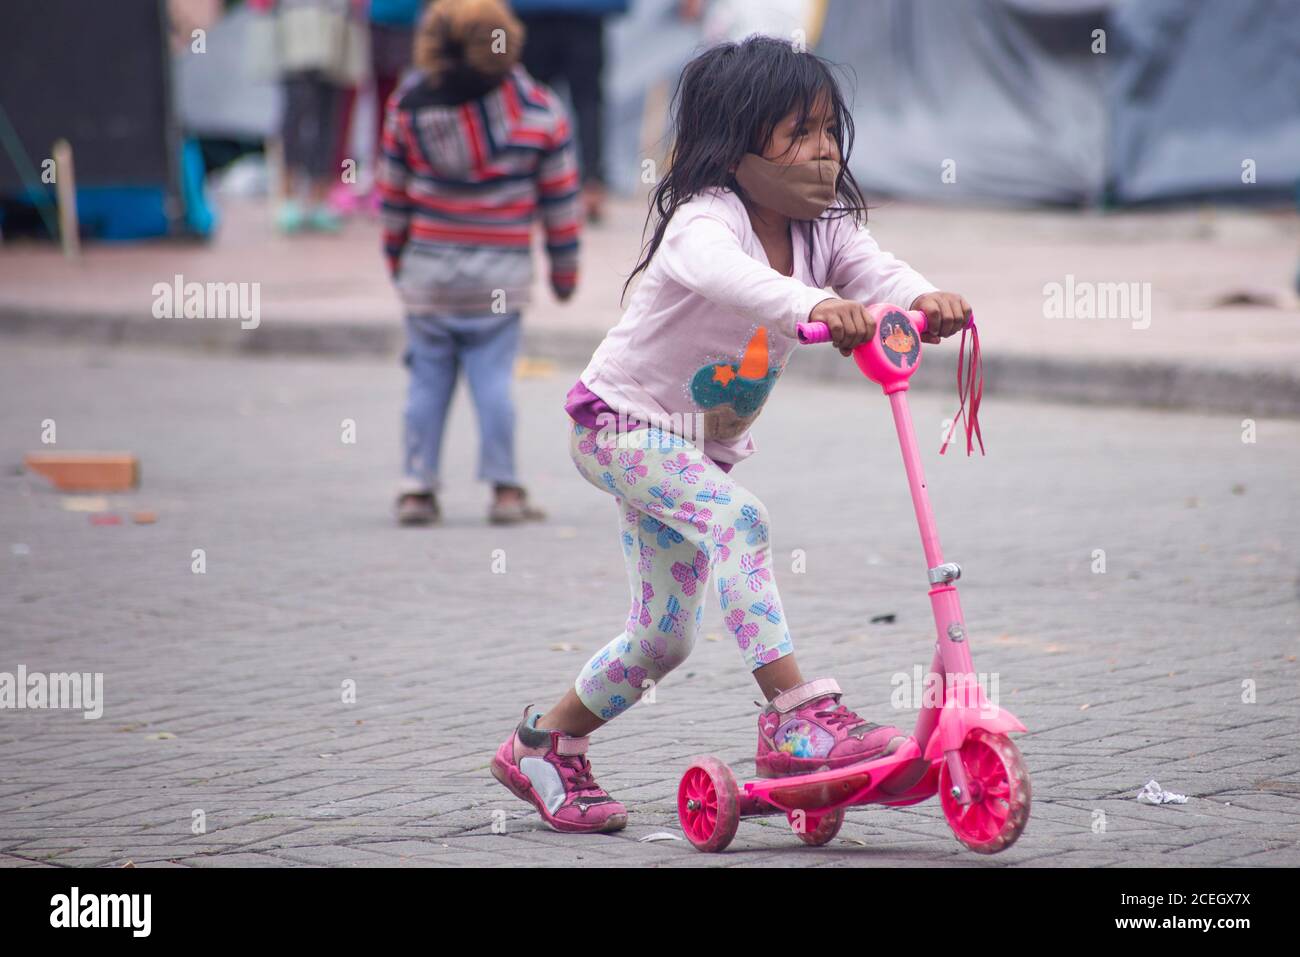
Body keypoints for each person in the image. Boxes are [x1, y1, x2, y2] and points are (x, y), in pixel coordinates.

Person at [490, 34, 974, 832]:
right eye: (799, 133)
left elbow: (878, 271)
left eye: (829, 132)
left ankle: (544, 745)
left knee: (661, 640)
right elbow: (729, 275)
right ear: (738, 140)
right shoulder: (703, 219)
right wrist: (810, 306)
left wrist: (929, 300)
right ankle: (794, 714)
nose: (822, 153)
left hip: (688, 446)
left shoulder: (825, 229)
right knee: (738, 518)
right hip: (621, 427)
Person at [377, 0, 581, 525]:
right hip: (500, 279)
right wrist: (564, 271)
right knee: (493, 381)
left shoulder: (407, 107)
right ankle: (505, 489)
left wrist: (396, 256)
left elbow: (393, 196)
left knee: (425, 381)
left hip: (428, 274)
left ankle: (416, 488)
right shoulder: (539, 110)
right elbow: (560, 201)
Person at [250, 0, 369, 233]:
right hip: (295, 17)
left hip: (336, 17)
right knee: (296, 109)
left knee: (329, 114)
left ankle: (319, 198)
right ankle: (287, 196)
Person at [509, 0, 630, 223]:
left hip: (533, 12)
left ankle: (524, 181)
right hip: (584, 11)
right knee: (588, 102)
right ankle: (592, 185)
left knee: (529, 101)